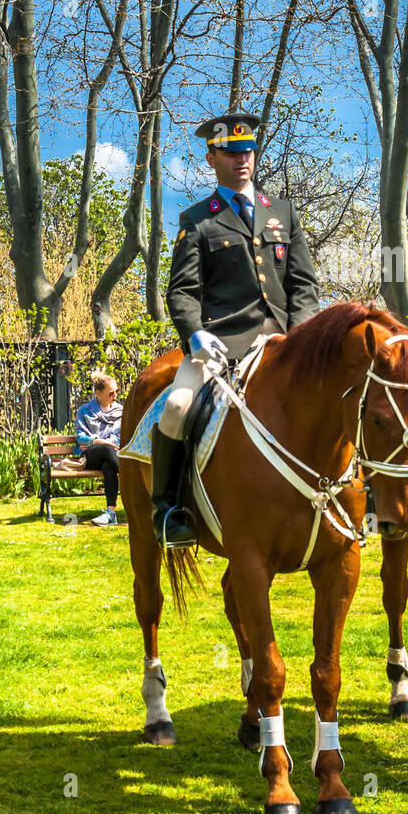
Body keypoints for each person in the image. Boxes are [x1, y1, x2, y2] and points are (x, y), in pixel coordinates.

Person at [155, 111, 320, 546]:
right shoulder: (197, 220)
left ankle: (354, 497)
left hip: (286, 339)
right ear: (212, 158)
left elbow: (304, 284)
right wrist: (194, 333)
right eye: (230, 153)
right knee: (176, 405)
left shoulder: (282, 212)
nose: (241, 159)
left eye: (247, 151)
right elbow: (181, 292)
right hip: (222, 344)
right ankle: (170, 509)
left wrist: (300, 336)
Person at [74, 371, 123, 526]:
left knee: (108, 465)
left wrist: (97, 441)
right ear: (98, 393)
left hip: (110, 456)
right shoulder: (85, 411)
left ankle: (111, 513)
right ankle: (129, 476)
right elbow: (80, 438)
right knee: (107, 450)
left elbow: (122, 436)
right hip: (90, 456)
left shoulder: (120, 411)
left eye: (116, 391)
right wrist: (102, 441)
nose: (114, 395)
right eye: (110, 393)